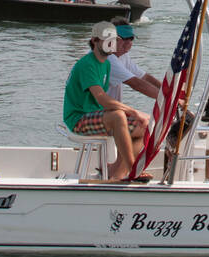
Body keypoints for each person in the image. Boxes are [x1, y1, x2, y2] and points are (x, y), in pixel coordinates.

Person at [63, 21, 150, 179]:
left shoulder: (105, 65)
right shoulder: (88, 64)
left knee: (146, 124)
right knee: (118, 116)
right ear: (95, 41)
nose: (111, 43)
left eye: (114, 39)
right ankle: (133, 170)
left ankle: (116, 174)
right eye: (107, 39)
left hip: (94, 115)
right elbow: (102, 98)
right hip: (78, 119)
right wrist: (133, 111)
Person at [106, 19, 160, 102]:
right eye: (123, 38)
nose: (128, 42)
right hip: (92, 111)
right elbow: (136, 84)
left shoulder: (123, 56)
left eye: (131, 38)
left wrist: (169, 91)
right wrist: (169, 99)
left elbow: (144, 77)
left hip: (110, 109)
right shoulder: (107, 58)